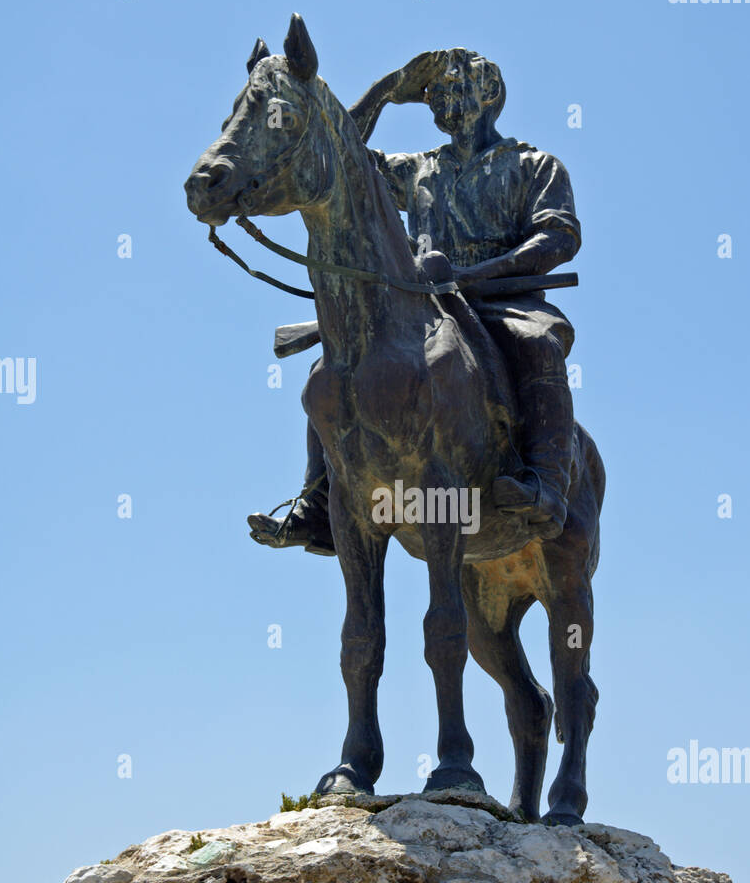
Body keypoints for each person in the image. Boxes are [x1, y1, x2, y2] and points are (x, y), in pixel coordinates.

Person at [249, 47, 581, 556]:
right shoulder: (417, 170)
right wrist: (388, 88)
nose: (437, 100)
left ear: (488, 93)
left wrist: (477, 273)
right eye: (433, 93)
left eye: (452, 87)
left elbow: (556, 238)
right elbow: (340, 151)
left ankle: (548, 483)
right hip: (427, 309)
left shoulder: (533, 166)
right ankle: (318, 505)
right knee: (335, 367)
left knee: (537, 344)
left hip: (502, 303)